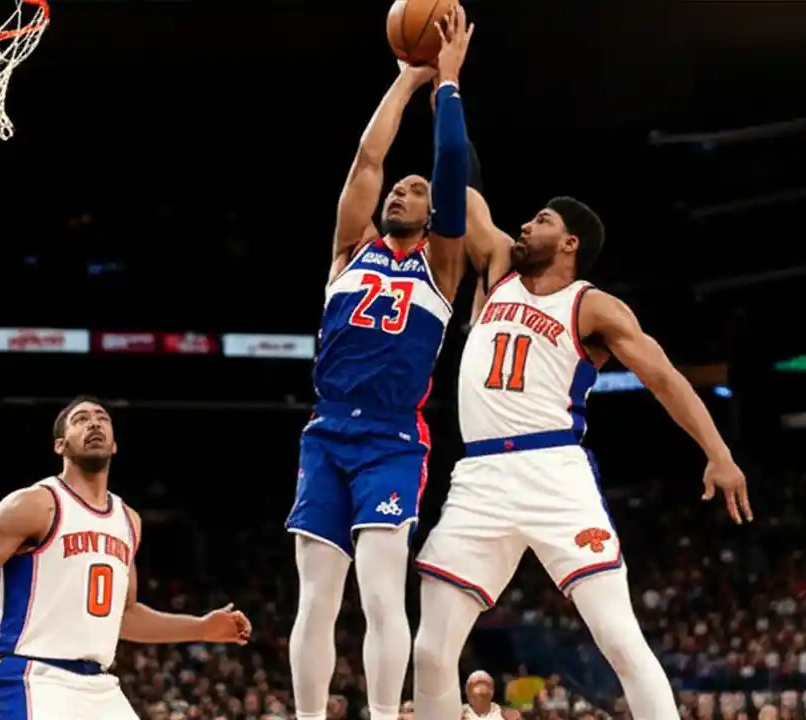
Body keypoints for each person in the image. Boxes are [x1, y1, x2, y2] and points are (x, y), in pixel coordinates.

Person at [412, 193, 752, 720]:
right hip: (478, 477)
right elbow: (466, 194)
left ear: (570, 243)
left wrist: (718, 452)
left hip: (553, 471)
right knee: (431, 649)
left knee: (619, 638)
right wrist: (445, 116)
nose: (524, 225)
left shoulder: (592, 305)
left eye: (541, 220)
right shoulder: (499, 267)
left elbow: (663, 377)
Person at [284, 8, 476, 720]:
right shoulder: (349, 251)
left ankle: (382, 714)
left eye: (415, 190)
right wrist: (404, 81)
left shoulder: (442, 267)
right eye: (399, 188)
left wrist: (448, 84)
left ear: (434, 217)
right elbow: (367, 159)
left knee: (380, 591)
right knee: (317, 595)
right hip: (327, 429)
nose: (400, 189)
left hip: (393, 436)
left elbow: (451, 168)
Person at [0, 396, 253, 720]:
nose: (94, 423)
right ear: (60, 445)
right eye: (81, 419)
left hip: (99, 687)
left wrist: (202, 627)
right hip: (34, 678)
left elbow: (126, 616)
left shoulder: (128, 521)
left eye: (102, 418)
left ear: (114, 444)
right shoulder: (34, 505)